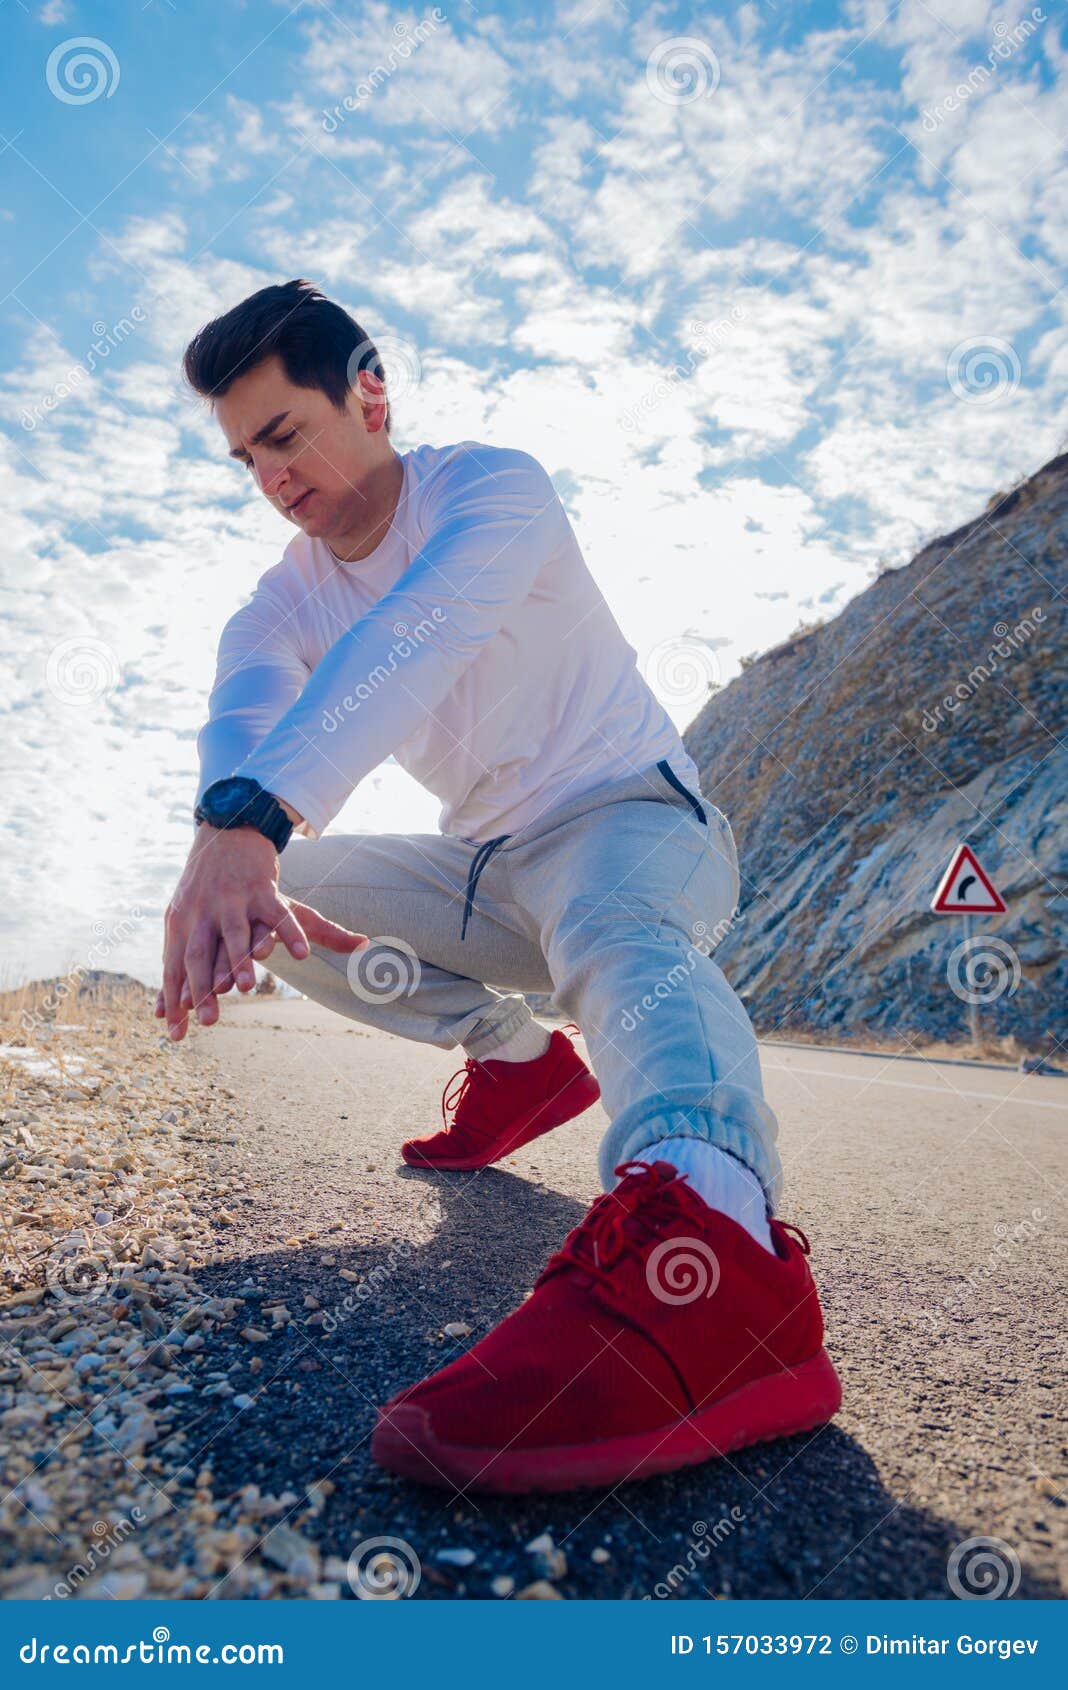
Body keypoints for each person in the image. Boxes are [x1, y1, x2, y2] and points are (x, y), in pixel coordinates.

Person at [158, 278, 840, 1494]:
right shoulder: (285, 595)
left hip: (634, 820)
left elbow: (413, 639)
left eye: (282, 435)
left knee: (611, 924)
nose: (269, 476)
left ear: (368, 394)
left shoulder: (492, 488)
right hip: (491, 872)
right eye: (243, 457)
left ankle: (718, 1233)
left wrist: (254, 812)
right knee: (276, 892)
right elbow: (249, 701)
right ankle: (519, 1059)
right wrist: (230, 832)